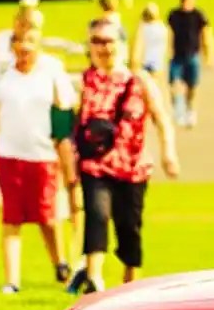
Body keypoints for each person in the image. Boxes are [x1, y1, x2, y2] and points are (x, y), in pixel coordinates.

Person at [65, 19, 180, 294]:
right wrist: (68, 161)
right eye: (96, 41)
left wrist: (168, 152)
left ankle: (130, 284)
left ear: (121, 45)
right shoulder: (82, 83)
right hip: (94, 165)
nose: (103, 48)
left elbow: (161, 118)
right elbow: (69, 126)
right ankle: (94, 279)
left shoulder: (140, 81)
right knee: (97, 214)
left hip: (132, 167)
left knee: (129, 228)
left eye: (108, 41)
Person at [0, 26, 78, 294]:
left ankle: (60, 264)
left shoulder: (50, 71)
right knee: (11, 218)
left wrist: (62, 144)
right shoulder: (2, 73)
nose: (24, 48)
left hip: (42, 155)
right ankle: (12, 281)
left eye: (30, 42)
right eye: (19, 42)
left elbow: (67, 106)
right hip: (10, 155)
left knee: (46, 217)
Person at [166, 0, 214, 128]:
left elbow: (206, 35)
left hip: (193, 55)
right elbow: (168, 35)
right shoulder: (173, 15)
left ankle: (190, 111)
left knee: (192, 87)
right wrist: (166, 52)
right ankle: (179, 109)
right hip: (177, 56)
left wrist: (209, 55)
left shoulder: (199, 15)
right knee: (174, 84)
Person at [131, 2, 169, 77]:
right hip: (158, 62)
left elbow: (137, 46)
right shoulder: (162, 27)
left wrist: (134, 61)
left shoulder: (143, 27)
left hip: (145, 61)